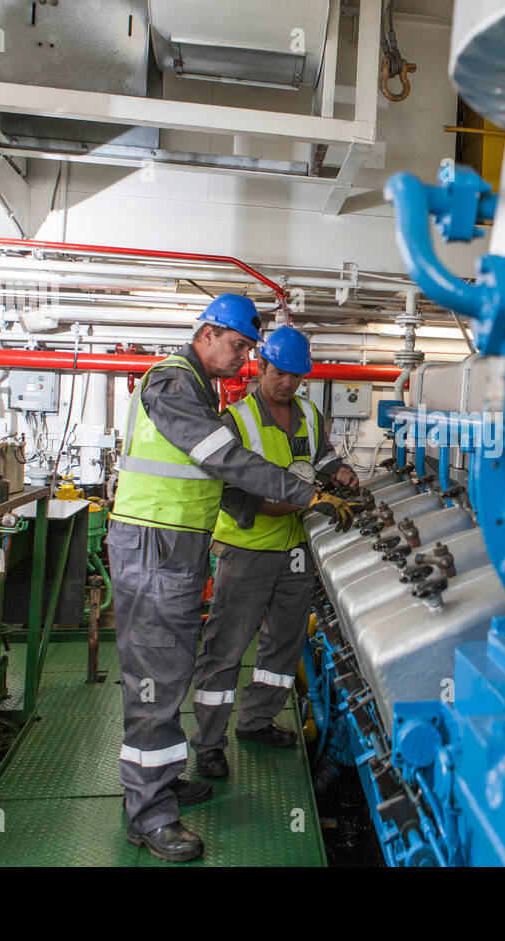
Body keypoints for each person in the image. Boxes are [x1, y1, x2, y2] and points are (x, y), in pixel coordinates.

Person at [108, 295, 354, 862]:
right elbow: (226, 460)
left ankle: (161, 785)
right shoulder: (174, 386)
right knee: (156, 679)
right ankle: (149, 815)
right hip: (155, 544)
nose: (245, 357)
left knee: (167, 671)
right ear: (209, 334)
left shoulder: (199, 391)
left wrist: (316, 493)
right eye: (242, 346)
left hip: (174, 544)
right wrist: (303, 494)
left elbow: (225, 482)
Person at [191, 326, 359, 779]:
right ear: (261, 367)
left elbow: (319, 459)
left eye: (297, 377)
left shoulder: (308, 413)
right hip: (249, 548)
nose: (288, 384)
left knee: (284, 642)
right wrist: (267, 506)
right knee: (226, 647)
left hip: (297, 548)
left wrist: (339, 472)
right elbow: (224, 486)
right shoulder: (236, 421)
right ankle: (208, 742)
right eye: (280, 373)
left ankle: (257, 721)